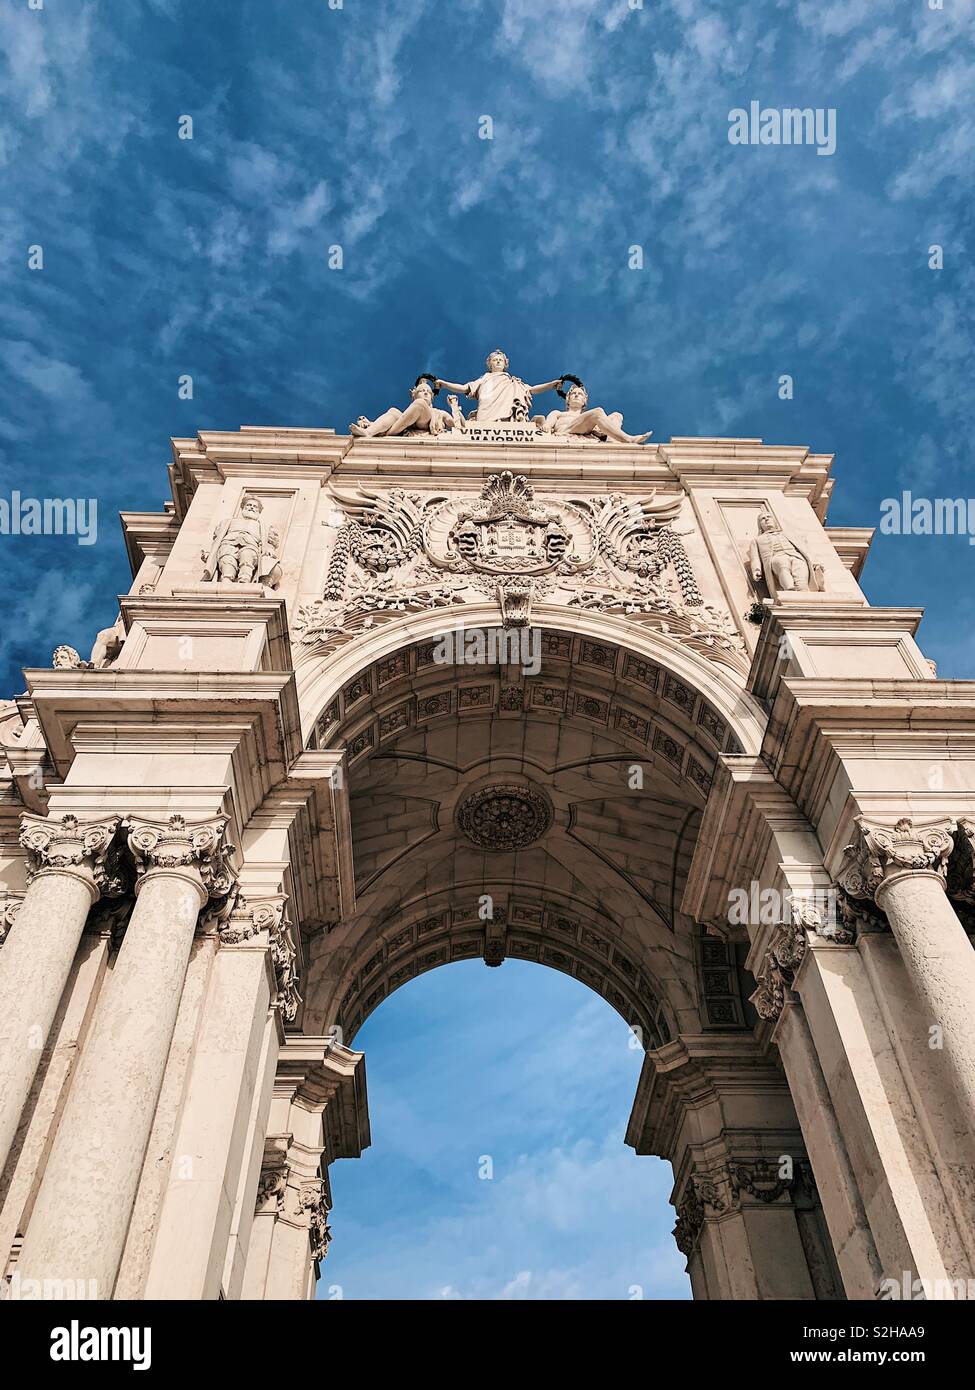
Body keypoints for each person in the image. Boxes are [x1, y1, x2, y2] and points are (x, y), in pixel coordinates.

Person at [435, 350, 562, 424]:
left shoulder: (514, 382)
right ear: (489, 364)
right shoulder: (484, 378)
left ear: (505, 363)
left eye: (500, 359)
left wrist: (551, 385)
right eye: (495, 360)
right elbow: (464, 388)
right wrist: (445, 384)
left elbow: (532, 389)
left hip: (507, 413)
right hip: (486, 409)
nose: (498, 361)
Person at [542, 382, 651, 444]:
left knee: (616, 415)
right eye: (573, 393)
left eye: (580, 394)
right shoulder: (558, 413)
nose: (576, 395)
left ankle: (613, 443)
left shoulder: (587, 418)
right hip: (565, 432)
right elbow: (548, 424)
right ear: (568, 399)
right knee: (597, 412)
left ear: (585, 400)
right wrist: (546, 425)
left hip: (585, 430)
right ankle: (628, 439)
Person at [349, 379, 452, 437]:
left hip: (423, 424)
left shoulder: (439, 413)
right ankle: (369, 432)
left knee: (420, 404)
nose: (425, 393)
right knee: (393, 411)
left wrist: (454, 407)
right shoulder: (409, 411)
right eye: (421, 391)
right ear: (414, 395)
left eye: (428, 392)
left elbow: (457, 425)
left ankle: (384, 432)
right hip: (404, 427)